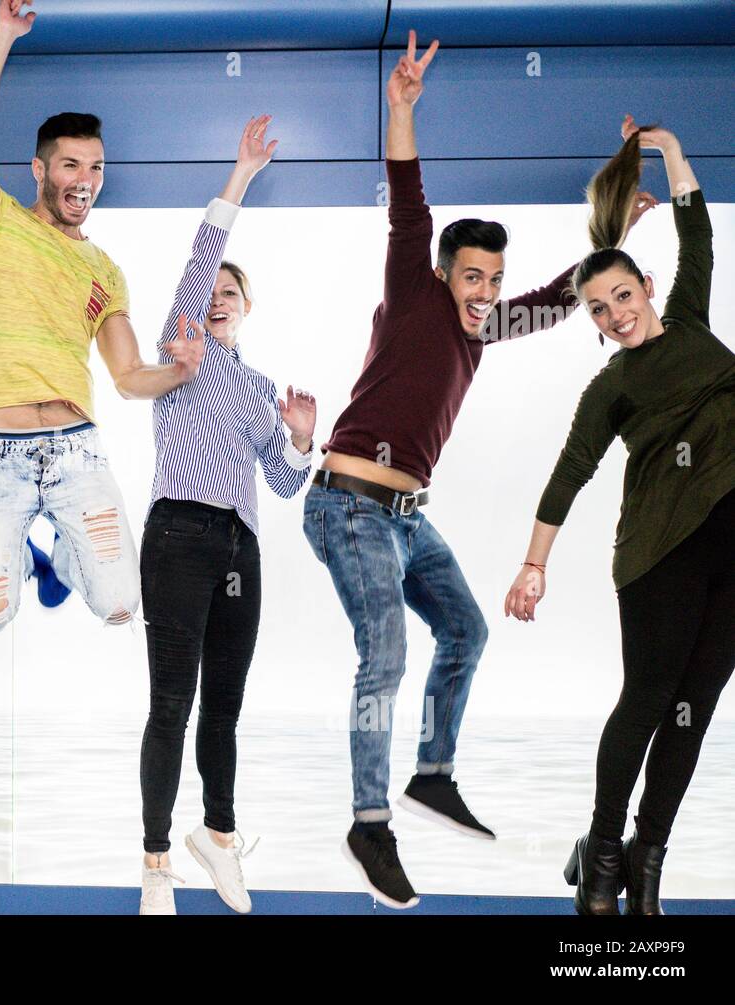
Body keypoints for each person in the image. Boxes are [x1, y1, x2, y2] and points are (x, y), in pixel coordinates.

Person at [301, 33, 653, 910]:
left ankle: (432, 772)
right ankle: (368, 821)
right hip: (348, 504)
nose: (484, 292)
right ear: (440, 274)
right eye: (471, 276)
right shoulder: (416, 290)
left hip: (407, 518)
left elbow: (562, 298)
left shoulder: (485, 326)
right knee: (384, 649)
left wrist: (617, 238)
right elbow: (409, 205)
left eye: (492, 280)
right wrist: (404, 107)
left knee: (465, 632)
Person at [504, 116, 734, 916]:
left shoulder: (694, 321)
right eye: (599, 309)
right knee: (648, 699)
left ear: (645, 287)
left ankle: (646, 867)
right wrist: (534, 564)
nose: (615, 313)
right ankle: (602, 856)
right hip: (659, 553)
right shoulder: (612, 387)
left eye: (622, 295)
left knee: (693, 710)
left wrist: (668, 150)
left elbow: (698, 233)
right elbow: (568, 474)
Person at [0, 0, 205, 634]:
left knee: (120, 605)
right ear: (40, 170)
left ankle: (61, 557)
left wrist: (175, 372)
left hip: (75, 452)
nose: (85, 179)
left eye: (95, 167)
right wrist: (5, 32)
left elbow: (127, 375)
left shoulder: (105, 270)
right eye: (70, 164)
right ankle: (31, 561)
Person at [138, 116, 318, 916]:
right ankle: (153, 861)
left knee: (226, 707)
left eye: (229, 297)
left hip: (239, 546)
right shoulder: (183, 345)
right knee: (170, 701)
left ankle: (217, 834)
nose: (216, 302)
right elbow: (198, 263)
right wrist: (241, 176)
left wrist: (303, 441)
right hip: (177, 532)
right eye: (209, 295)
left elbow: (281, 481)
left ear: (247, 308)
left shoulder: (255, 387)